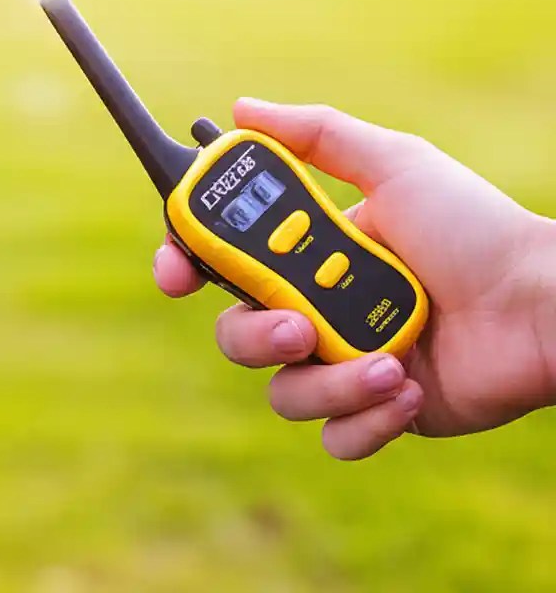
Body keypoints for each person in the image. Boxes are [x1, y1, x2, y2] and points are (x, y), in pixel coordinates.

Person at [153, 98, 556, 460]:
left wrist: (529, 295)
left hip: (386, 321)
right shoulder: (236, 162)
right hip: (393, 310)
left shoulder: (231, 163)